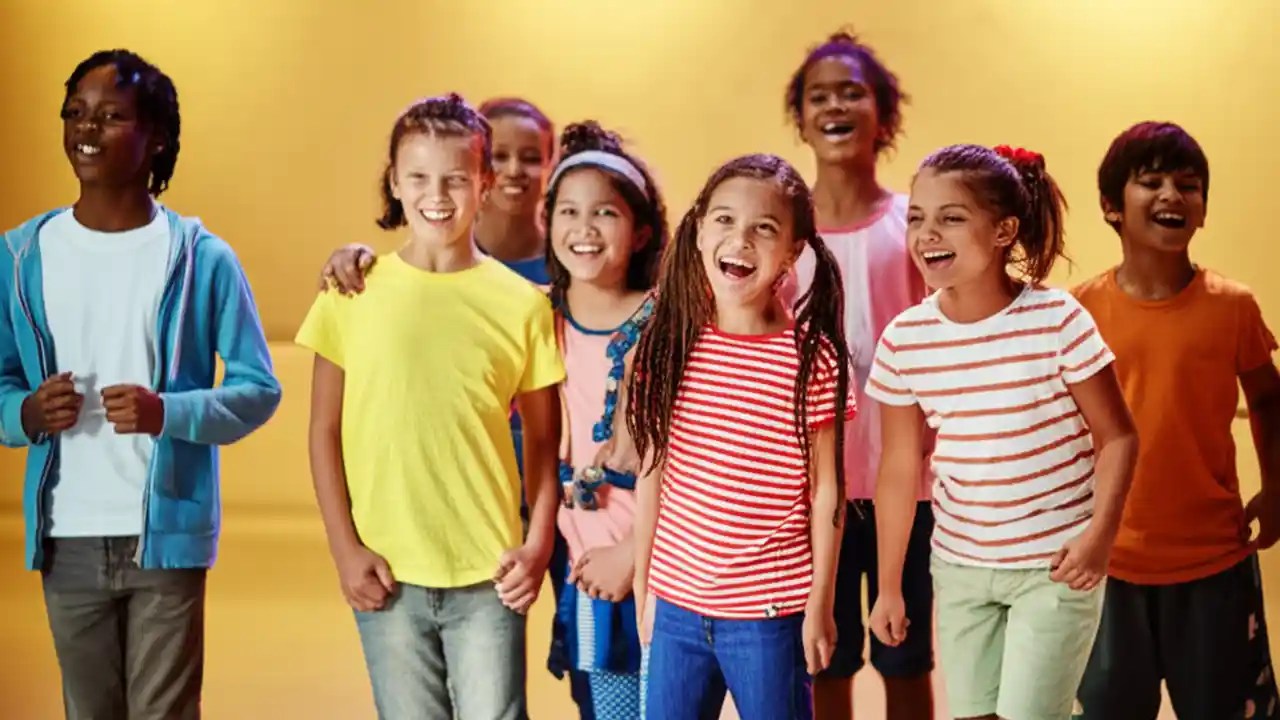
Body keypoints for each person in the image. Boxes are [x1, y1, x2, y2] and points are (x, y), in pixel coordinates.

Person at [0, 49, 281, 720]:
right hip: (65, 534)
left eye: (111, 115)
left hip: (167, 537)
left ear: (156, 135)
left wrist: (168, 413)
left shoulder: (200, 257)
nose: (86, 128)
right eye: (74, 113)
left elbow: (257, 388)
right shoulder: (20, 256)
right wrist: (27, 413)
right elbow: (4, 385)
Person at [295, 93, 563, 719]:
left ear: (484, 183)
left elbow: (548, 445)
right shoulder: (351, 293)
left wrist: (538, 543)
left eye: (455, 178)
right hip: (387, 571)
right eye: (417, 176)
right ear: (393, 181)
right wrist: (345, 548)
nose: (435, 193)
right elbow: (323, 431)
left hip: (491, 573)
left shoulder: (522, 304)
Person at [866, 143, 1138, 720]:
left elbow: (1118, 436)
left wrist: (1100, 536)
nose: (927, 234)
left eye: (951, 217)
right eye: (916, 217)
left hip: (1054, 567)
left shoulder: (1058, 321)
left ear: (1003, 231)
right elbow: (897, 468)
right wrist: (890, 585)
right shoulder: (904, 339)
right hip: (960, 568)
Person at [629, 153, 855, 720]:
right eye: (725, 220)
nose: (741, 239)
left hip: (770, 617)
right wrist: (643, 582)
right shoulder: (672, 343)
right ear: (701, 228)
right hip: (676, 607)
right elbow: (652, 473)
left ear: (794, 251)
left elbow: (826, 494)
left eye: (765, 228)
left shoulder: (812, 358)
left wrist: (819, 604)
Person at [1072, 121, 1280, 719]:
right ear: (1112, 206)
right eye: (1151, 181)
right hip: (1106, 566)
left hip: (1215, 563)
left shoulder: (1233, 307)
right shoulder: (1077, 311)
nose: (1171, 195)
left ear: (1204, 209)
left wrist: (1277, 486)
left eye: (1188, 185)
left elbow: (1267, 398)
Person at [781, 30, 933, 720]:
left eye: (853, 93)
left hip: (915, 490)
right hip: (814, 493)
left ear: (884, 116)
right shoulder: (780, 233)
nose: (836, 106)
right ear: (801, 120)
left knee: (907, 661)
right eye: (820, 96)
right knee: (825, 664)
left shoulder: (913, 225)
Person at [541, 120, 672, 719]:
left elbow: (689, 452)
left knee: (672, 701)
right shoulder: (537, 318)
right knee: (606, 705)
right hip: (584, 559)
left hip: (667, 558)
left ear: (643, 231)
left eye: (606, 214)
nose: (584, 229)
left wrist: (633, 554)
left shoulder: (670, 322)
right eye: (567, 211)